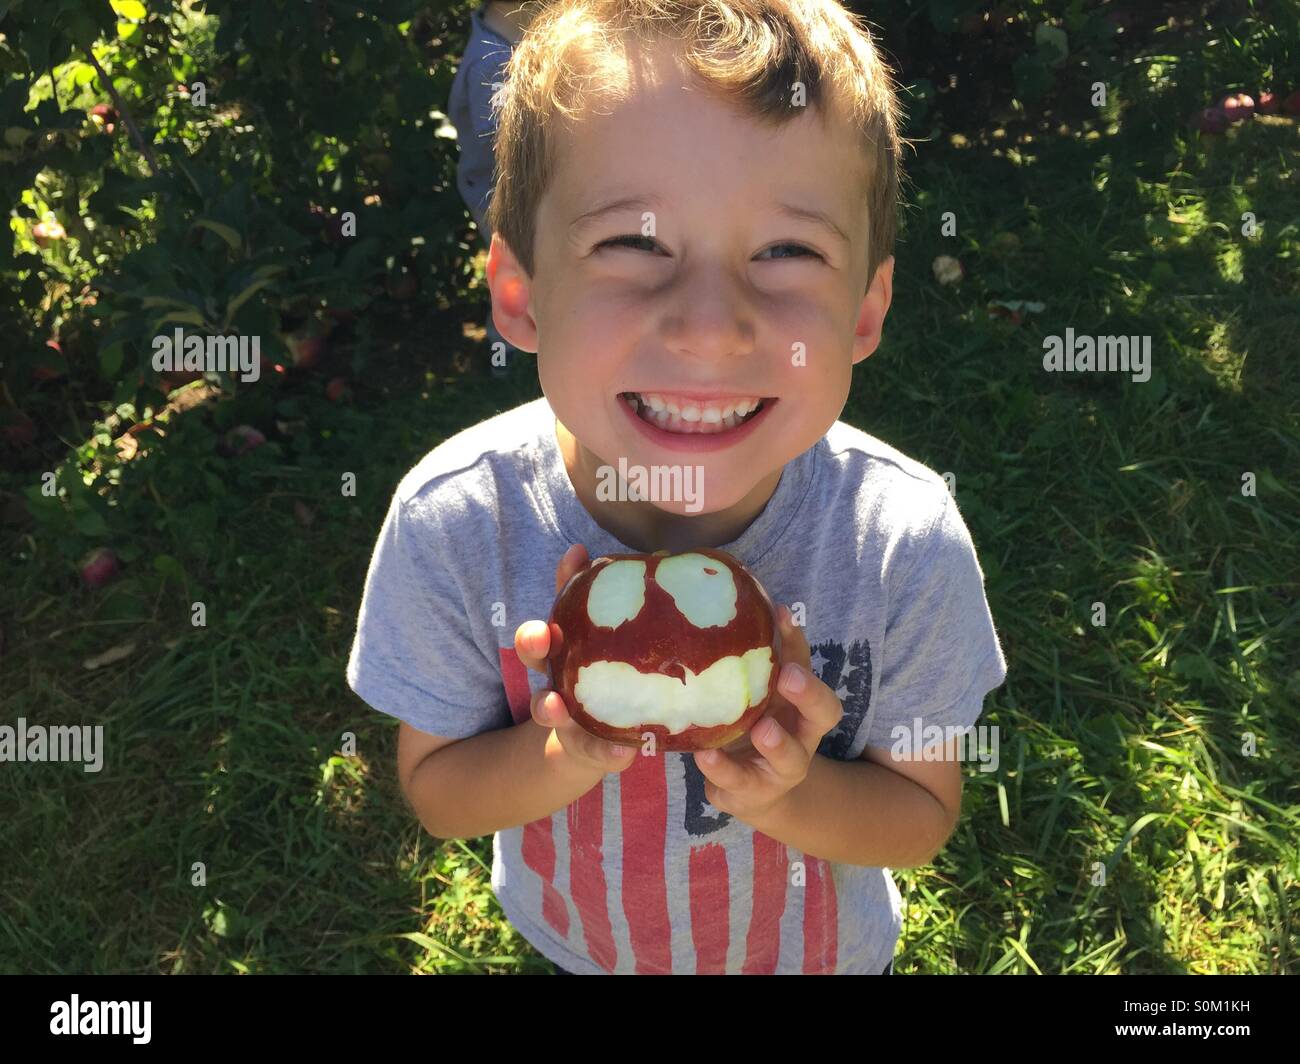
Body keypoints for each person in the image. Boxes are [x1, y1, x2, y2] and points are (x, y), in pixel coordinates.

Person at [349, 0, 1007, 975]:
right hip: (583, 940)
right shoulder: (456, 522)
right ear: (520, 293)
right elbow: (439, 791)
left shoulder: (901, 543)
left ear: (866, 311)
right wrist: (567, 751)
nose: (710, 326)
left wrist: (789, 793)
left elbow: (918, 815)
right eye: (634, 244)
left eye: (786, 252)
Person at [447, 3, 542, 377]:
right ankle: (502, 346)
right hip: (500, 195)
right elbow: (512, 149)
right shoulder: (494, 66)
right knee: (521, 267)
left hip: (504, 188)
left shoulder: (507, 37)